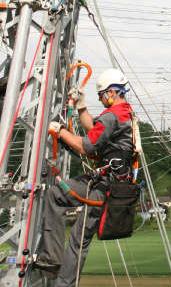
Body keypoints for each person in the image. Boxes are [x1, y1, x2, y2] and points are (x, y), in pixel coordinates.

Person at [36, 69, 136, 284]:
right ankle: (52, 260)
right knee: (57, 197)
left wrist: (60, 132)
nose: (100, 99)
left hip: (106, 188)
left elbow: (87, 147)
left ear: (111, 93)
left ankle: (57, 271)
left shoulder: (113, 116)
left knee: (77, 235)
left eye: (101, 95)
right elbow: (94, 132)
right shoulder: (124, 113)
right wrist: (82, 107)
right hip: (110, 184)